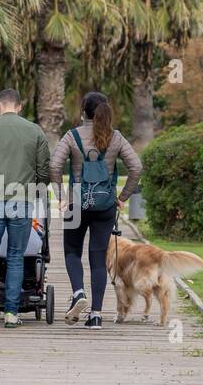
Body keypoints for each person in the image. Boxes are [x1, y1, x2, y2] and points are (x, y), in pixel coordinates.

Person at [50, 91, 142, 328]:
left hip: (76, 205)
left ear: (83, 112)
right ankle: (96, 315)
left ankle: (79, 292)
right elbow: (136, 167)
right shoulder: (117, 137)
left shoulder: (72, 136)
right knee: (98, 260)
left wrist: (61, 197)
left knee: (72, 252)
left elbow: (54, 165)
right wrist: (122, 197)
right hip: (105, 206)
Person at [0, 87, 51, 328]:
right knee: (16, 256)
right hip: (22, 201)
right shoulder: (35, 132)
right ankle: (12, 313)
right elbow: (43, 170)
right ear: (20, 106)